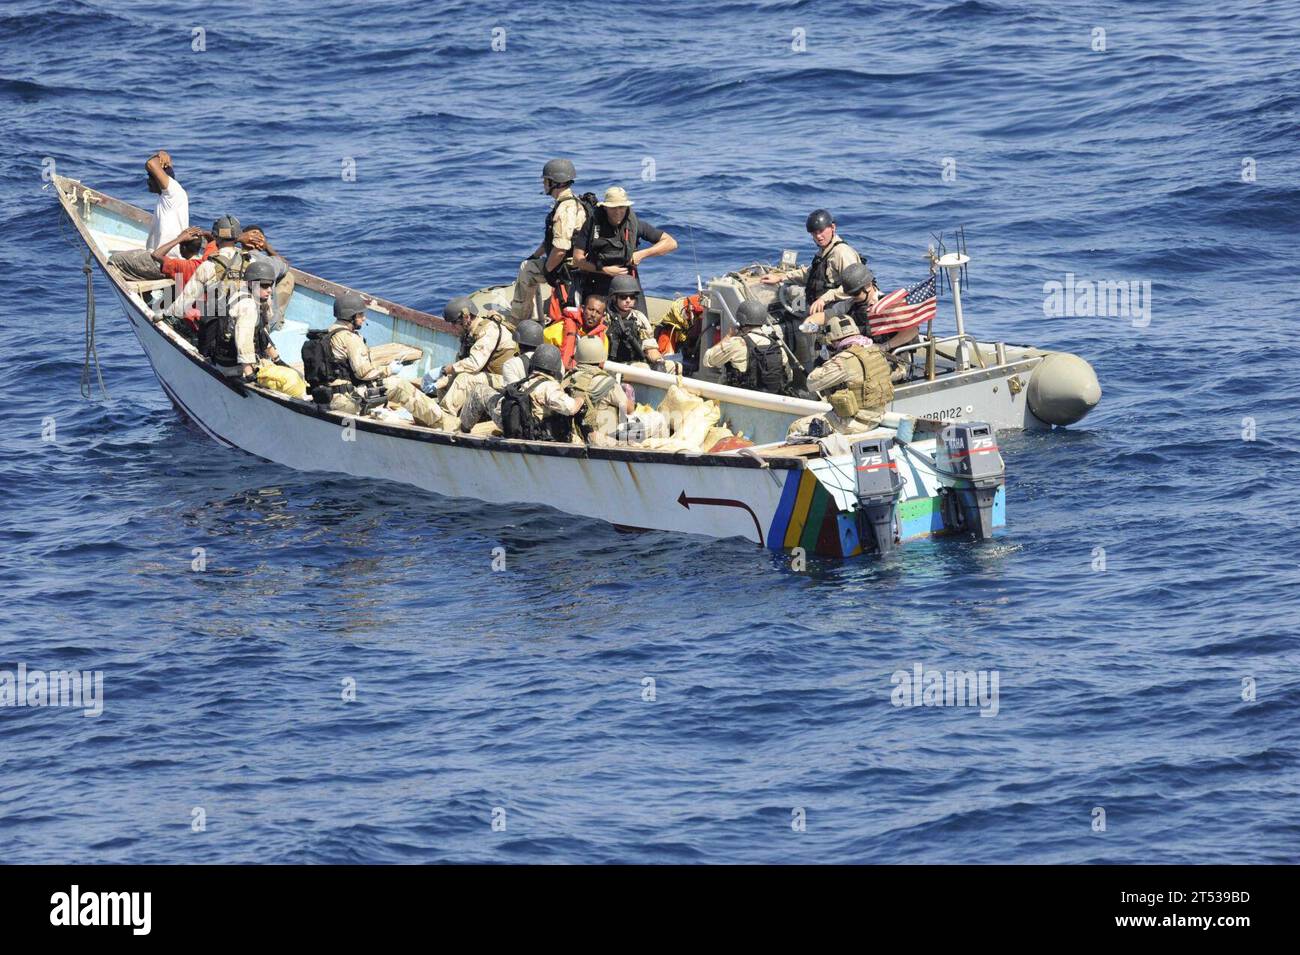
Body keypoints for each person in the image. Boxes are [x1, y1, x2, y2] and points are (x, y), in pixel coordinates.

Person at [323, 291, 447, 428]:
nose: (364, 318)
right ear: (350, 316)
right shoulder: (350, 338)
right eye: (360, 315)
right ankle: (443, 422)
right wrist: (389, 370)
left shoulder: (327, 334)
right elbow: (364, 373)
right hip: (347, 401)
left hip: (329, 396)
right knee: (399, 386)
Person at [788, 313, 894, 437]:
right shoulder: (875, 351)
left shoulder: (844, 360)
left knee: (796, 427)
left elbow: (811, 383)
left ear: (833, 339)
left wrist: (826, 359)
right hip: (877, 416)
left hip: (853, 422)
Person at [510, 159, 588, 324]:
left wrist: (547, 270)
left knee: (527, 269)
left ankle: (519, 321)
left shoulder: (564, 210)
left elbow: (560, 248)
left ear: (554, 182)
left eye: (545, 181)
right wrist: (535, 255)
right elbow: (551, 241)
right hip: (575, 260)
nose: (544, 184)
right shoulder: (573, 201)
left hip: (568, 266)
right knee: (530, 263)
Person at [572, 186, 676, 301]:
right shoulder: (592, 225)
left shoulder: (635, 225)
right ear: (605, 207)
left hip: (628, 285)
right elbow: (577, 260)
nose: (618, 212)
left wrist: (642, 254)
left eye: (621, 207)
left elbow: (671, 243)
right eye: (613, 208)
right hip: (598, 283)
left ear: (627, 207)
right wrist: (604, 270)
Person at [761, 209, 862, 315]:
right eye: (814, 233)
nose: (818, 236)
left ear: (833, 228)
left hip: (840, 306)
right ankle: (796, 317)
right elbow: (810, 274)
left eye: (821, 231)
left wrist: (824, 299)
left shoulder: (842, 253)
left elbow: (854, 287)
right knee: (792, 292)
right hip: (821, 301)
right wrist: (781, 277)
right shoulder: (825, 251)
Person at [436, 297, 519, 423]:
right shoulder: (469, 333)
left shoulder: (489, 330)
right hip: (489, 375)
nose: (452, 327)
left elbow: (474, 364)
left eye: (454, 323)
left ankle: (444, 420)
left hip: (506, 381)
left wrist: (448, 368)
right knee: (444, 381)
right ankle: (446, 412)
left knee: (464, 379)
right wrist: (445, 376)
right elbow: (462, 361)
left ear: (466, 318)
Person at [163, 215, 251, 330]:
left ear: (215, 237)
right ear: (238, 237)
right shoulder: (250, 261)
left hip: (219, 327)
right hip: (247, 322)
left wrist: (164, 315)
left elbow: (185, 300)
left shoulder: (208, 266)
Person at [703, 300, 792, 395]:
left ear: (741, 320)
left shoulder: (737, 343)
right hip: (771, 398)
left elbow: (707, 359)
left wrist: (728, 336)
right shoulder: (776, 346)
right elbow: (789, 376)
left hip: (742, 398)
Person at [497, 344, 583, 442]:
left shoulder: (523, 383)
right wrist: (580, 400)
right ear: (557, 367)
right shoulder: (549, 386)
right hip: (546, 439)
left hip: (527, 435)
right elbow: (570, 408)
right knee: (579, 441)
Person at [567, 336, 633, 444]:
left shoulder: (568, 378)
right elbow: (629, 409)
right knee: (658, 420)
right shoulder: (607, 382)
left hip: (573, 437)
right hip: (602, 442)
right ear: (601, 357)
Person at [239, 223, 295, 330]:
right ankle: (278, 319)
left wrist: (238, 238)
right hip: (266, 323)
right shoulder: (272, 263)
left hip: (240, 316)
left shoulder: (234, 258)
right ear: (262, 243)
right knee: (288, 277)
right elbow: (285, 264)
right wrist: (268, 248)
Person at [603, 275, 663, 368]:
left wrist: (659, 362)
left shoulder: (639, 318)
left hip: (634, 362)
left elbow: (649, 346)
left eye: (632, 297)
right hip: (610, 364)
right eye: (623, 297)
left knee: (674, 366)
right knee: (643, 368)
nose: (628, 300)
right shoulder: (605, 318)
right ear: (614, 298)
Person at [145, 150, 189, 252]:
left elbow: (150, 164)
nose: (148, 181)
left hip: (166, 257)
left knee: (116, 259)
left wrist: (160, 154)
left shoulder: (172, 192)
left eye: (151, 178)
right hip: (160, 254)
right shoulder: (167, 196)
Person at [560, 295, 609, 370]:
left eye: (598, 312)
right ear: (582, 308)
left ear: (603, 316)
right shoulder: (561, 328)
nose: (593, 315)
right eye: (590, 309)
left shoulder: (603, 340)